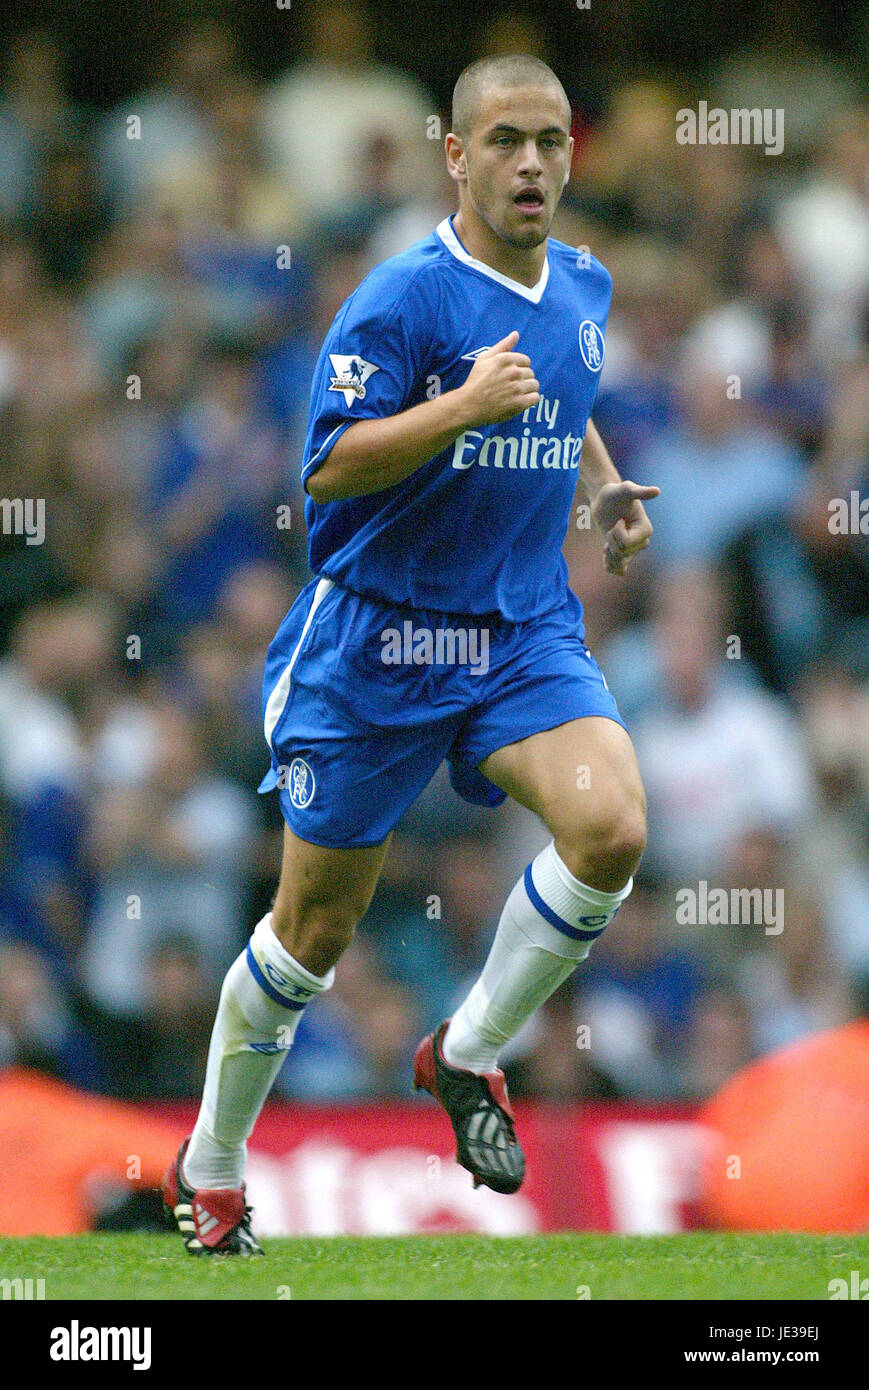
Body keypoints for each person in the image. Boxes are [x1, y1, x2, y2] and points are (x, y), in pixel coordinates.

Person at [163, 53, 659, 1256]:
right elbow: (324, 466)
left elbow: (559, 384)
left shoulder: (581, 285)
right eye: (502, 141)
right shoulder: (400, 297)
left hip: (518, 631)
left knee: (611, 829)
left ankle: (467, 1051)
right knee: (309, 939)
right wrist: (455, 409)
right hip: (374, 642)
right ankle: (213, 1165)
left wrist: (598, 489)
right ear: (454, 154)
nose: (530, 162)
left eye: (548, 139)